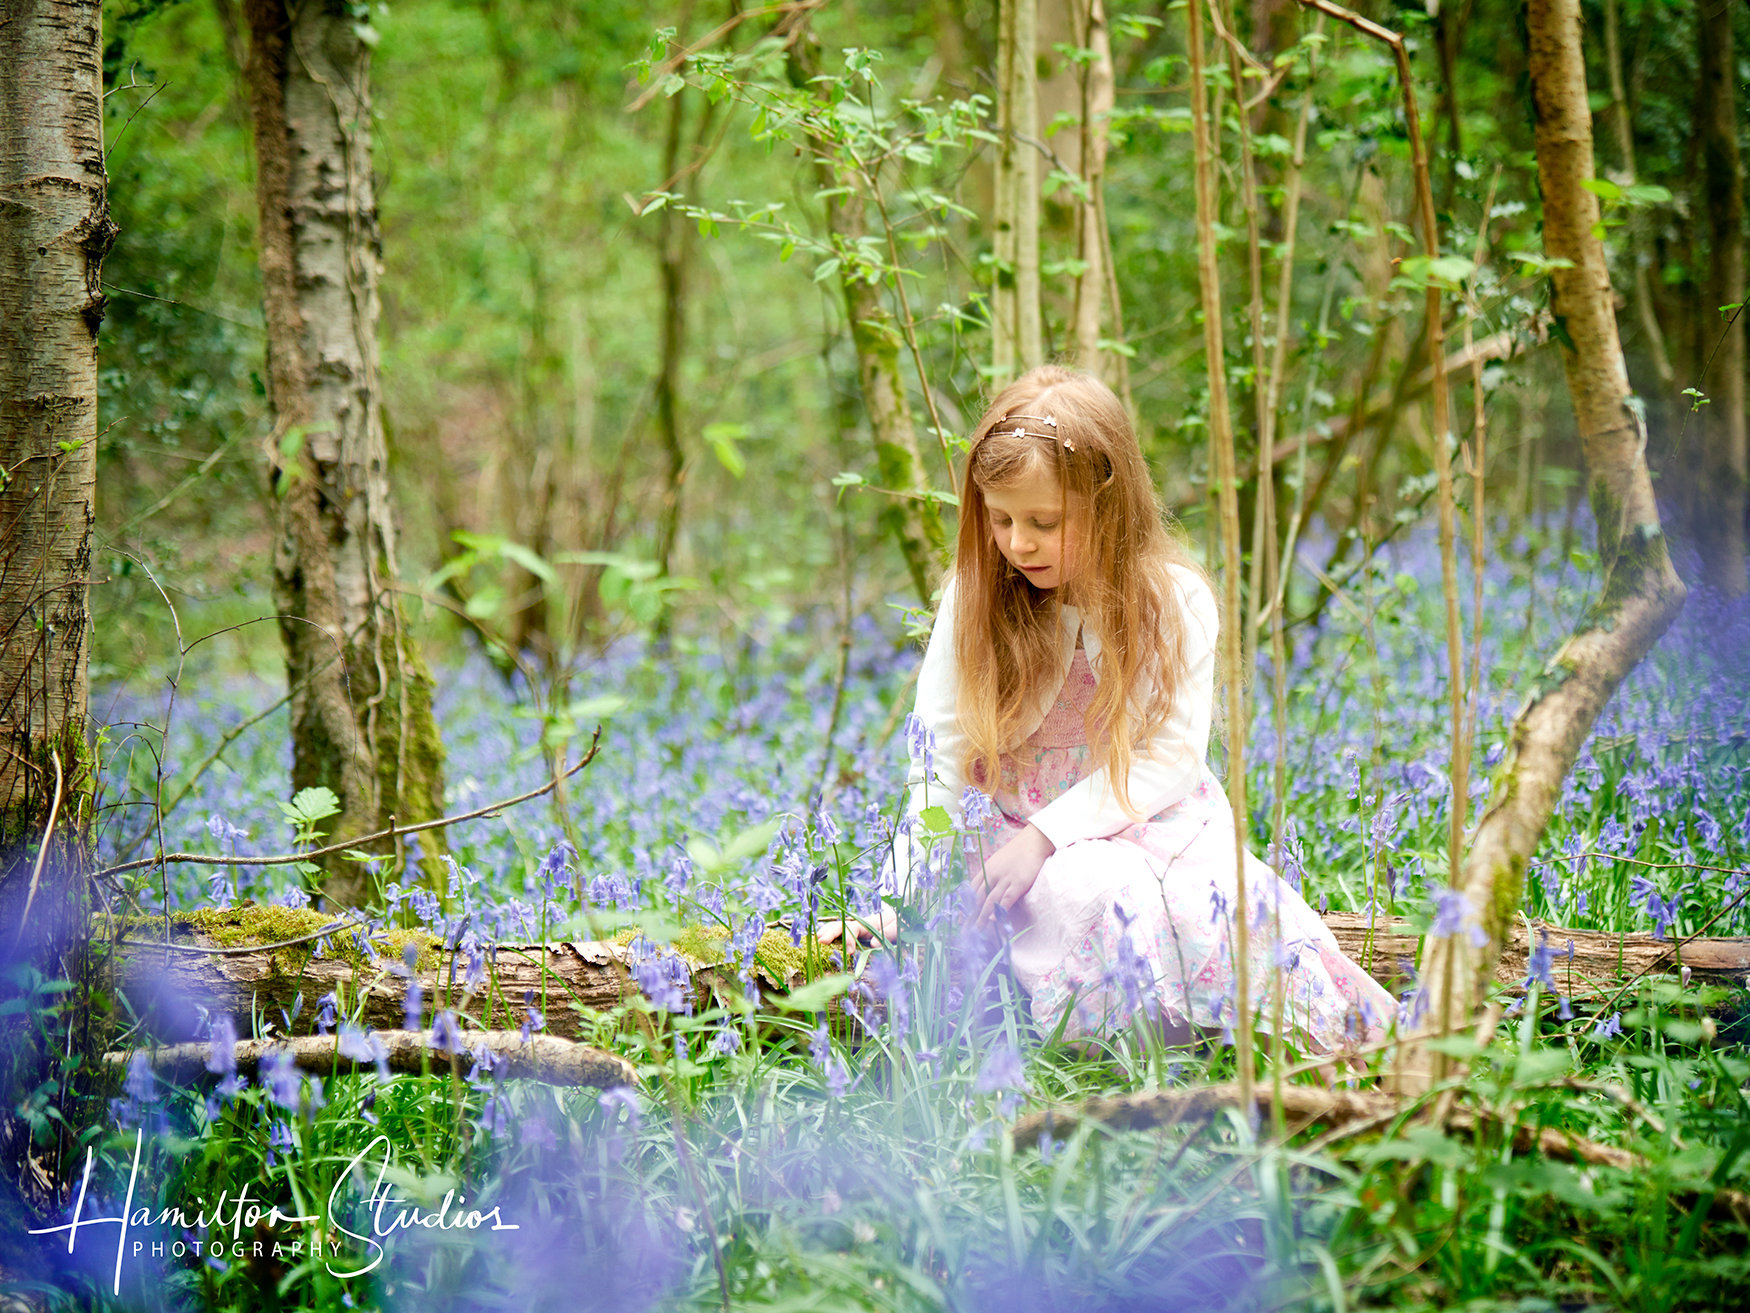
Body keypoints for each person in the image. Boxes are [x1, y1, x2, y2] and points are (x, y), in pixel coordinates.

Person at [831, 364, 1397, 1055]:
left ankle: (1200, 1055)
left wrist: (1048, 832)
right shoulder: (974, 599)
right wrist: (893, 903)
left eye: (1044, 521)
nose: (1017, 543)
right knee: (1087, 889)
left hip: (1146, 821)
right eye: (1000, 518)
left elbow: (1170, 757)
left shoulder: (1174, 601)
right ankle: (1103, 1055)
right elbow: (939, 758)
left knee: (1192, 905)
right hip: (1002, 839)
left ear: (1109, 504)